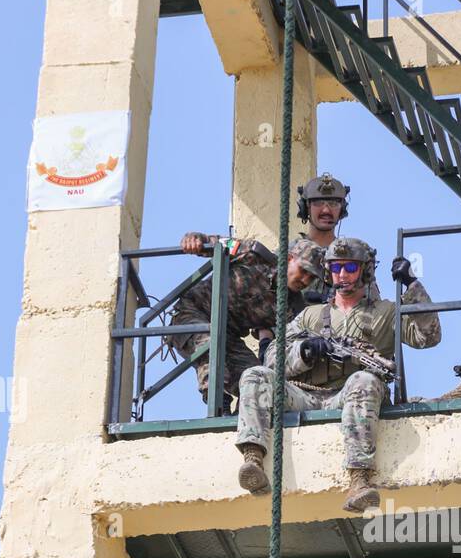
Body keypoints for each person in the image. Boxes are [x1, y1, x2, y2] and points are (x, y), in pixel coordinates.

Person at [235, 237, 441, 512]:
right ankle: (253, 457)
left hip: (350, 397)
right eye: (335, 268)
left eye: (350, 268)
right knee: (255, 375)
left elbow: (428, 336)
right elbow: (273, 357)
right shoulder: (311, 316)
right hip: (304, 395)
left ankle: (359, 478)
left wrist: (412, 286)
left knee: (365, 380)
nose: (342, 275)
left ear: (364, 271)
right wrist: (305, 352)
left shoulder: (386, 313)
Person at [168, 233, 325, 403]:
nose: (305, 280)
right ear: (288, 259)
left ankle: (243, 416)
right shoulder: (253, 253)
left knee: (257, 378)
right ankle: (216, 400)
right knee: (209, 346)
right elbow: (214, 244)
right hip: (191, 312)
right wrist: (195, 240)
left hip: (228, 336)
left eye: (312, 277)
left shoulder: (293, 308)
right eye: (303, 271)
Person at [296, 171, 381, 303]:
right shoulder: (289, 255)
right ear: (305, 207)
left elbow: (371, 304)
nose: (326, 210)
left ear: (342, 209)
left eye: (333, 203)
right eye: (318, 203)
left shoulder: (354, 254)